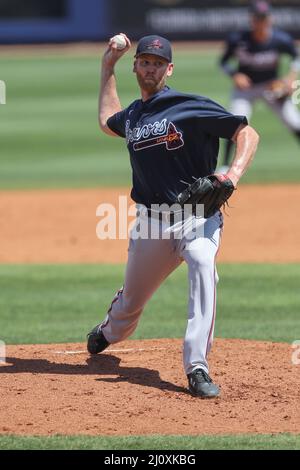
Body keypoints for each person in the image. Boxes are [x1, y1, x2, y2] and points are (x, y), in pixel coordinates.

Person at [87, 33, 259, 398]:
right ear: (137, 66)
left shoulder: (190, 105)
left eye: (158, 63)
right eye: (145, 62)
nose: (150, 68)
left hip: (198, 215)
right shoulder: (133, 114)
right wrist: (107, 65)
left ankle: (197, 366)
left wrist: (232, 174)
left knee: (201, 263)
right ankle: (109, 331)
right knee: (131, 302)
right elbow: (106, 120)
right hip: (151, 222)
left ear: (169, 69)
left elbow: (247, 133)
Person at [219, 0, 300, 172]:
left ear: (270, 19)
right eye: (257, 17)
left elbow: (297, 57)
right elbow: (223, 62)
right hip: (245, 90)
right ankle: (225, 167)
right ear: (251, 19)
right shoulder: (238, 39)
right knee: (234, 122)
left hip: (271, 88)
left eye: (264, 17)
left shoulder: (280, 39)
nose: (261, 21)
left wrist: (290, 77)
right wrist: (235, 75)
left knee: (294, 122)